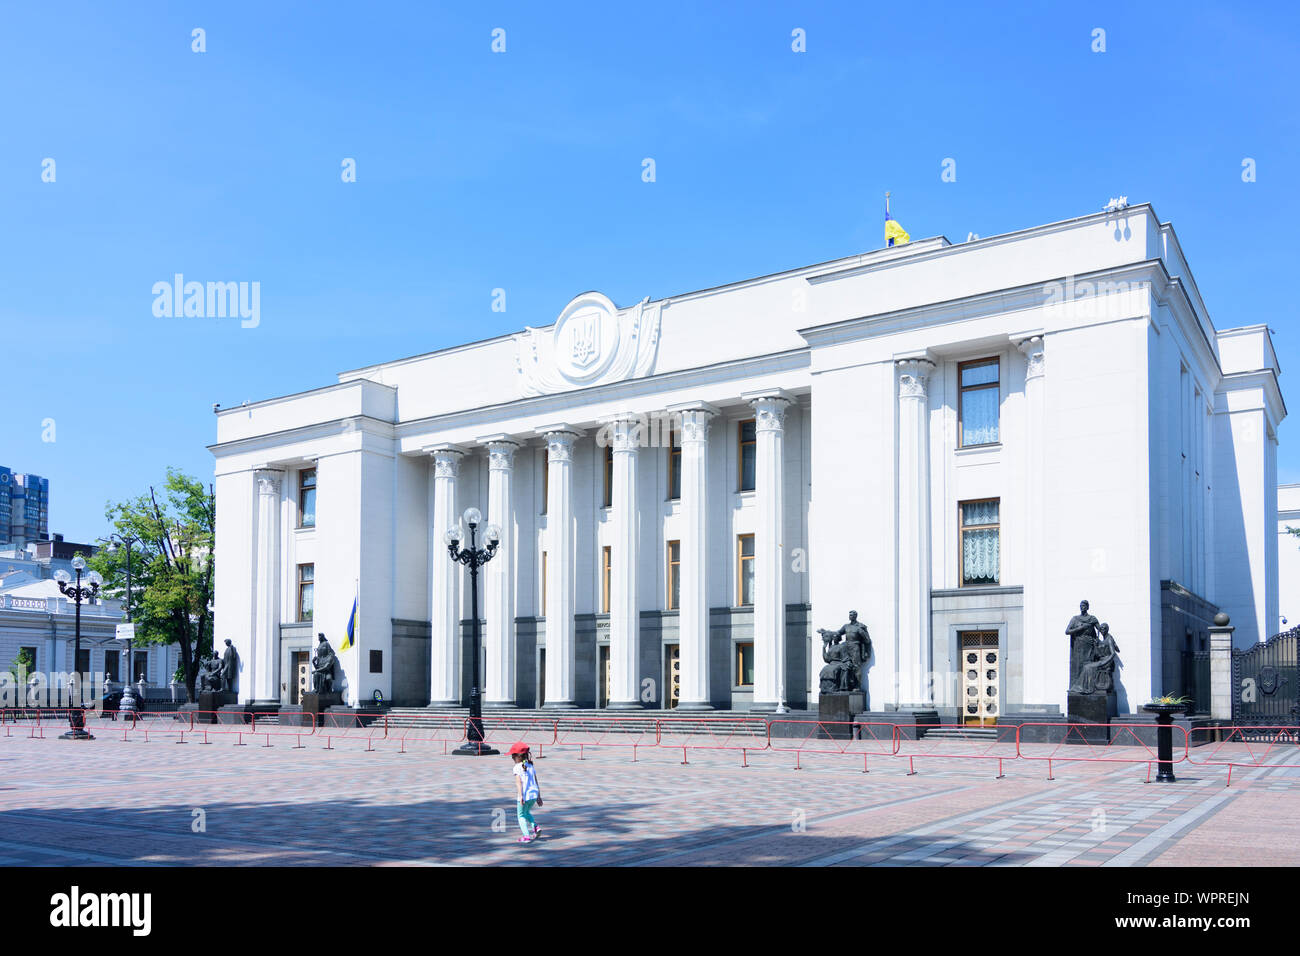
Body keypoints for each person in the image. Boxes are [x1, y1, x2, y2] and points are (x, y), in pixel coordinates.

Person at [508, 742, 542, 843]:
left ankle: (526, 836)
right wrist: (539, 796)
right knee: (526, 812)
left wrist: (520, 796)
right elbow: (536, 781)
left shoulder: (517, 767)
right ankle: (535, 827)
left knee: (521, 815)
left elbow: (519, 783)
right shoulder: (531, 766)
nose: (512, 758)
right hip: (534, 795)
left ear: (517, 756)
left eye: (512, 756)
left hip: (525, 795)